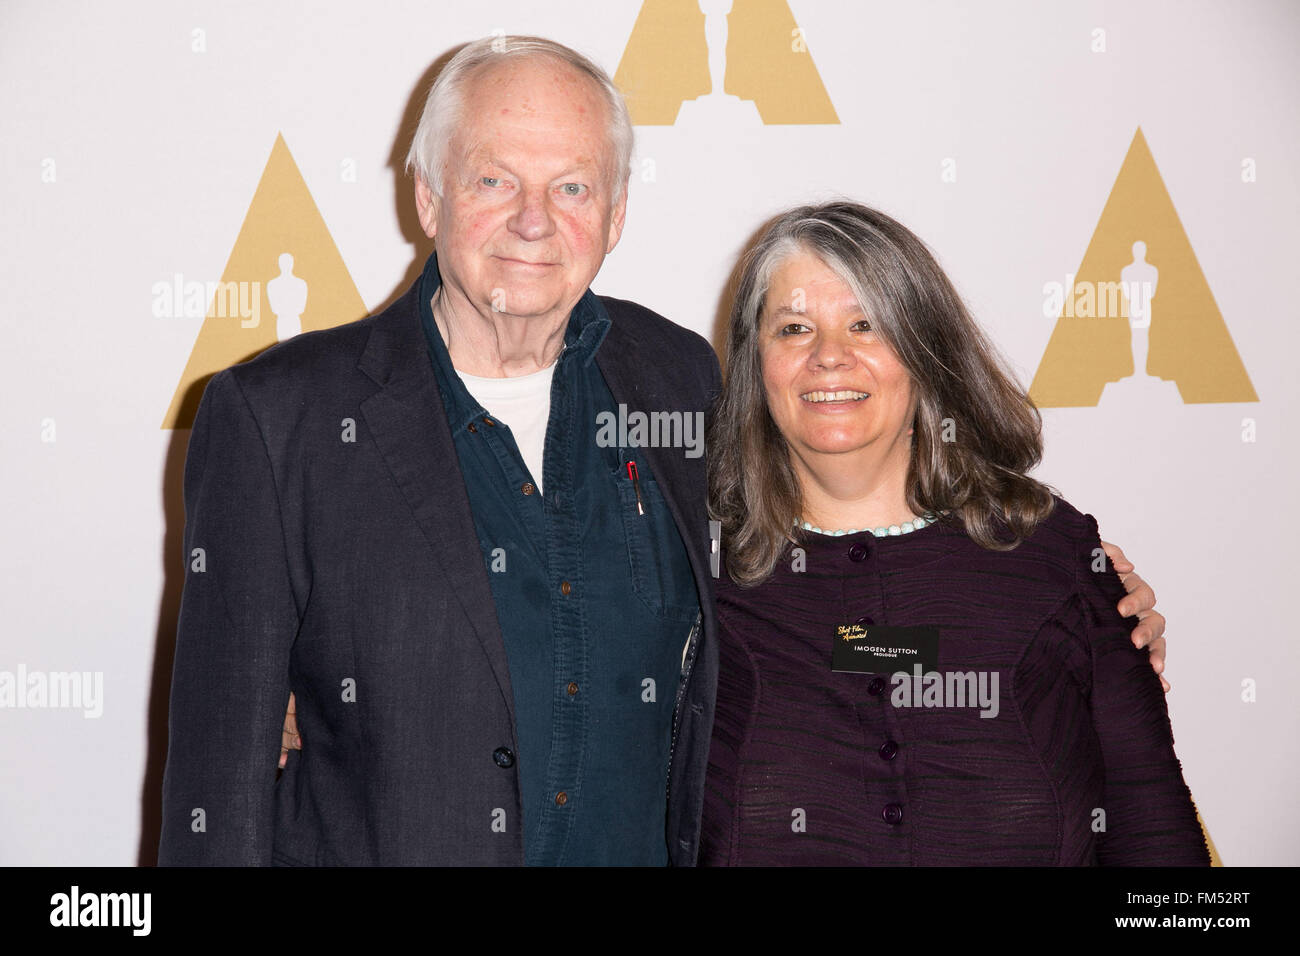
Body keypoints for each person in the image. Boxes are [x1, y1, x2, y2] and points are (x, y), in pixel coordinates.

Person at [165, 36, 1167, 867]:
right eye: (490, 178)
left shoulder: (676, 380)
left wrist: (1074, 628)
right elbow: (218, 782)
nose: (531, 220)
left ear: (615, 212)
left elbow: (809, 617)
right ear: (426, 196)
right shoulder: (277, 417)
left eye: (570, 185)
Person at [699, 201, 1206, 865]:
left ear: (924, 349)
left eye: (865, 324)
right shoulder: (694, 582)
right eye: (794, 328)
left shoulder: (1055, 564)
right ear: (753, 364)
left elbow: (1156, 844)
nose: (829, 356)